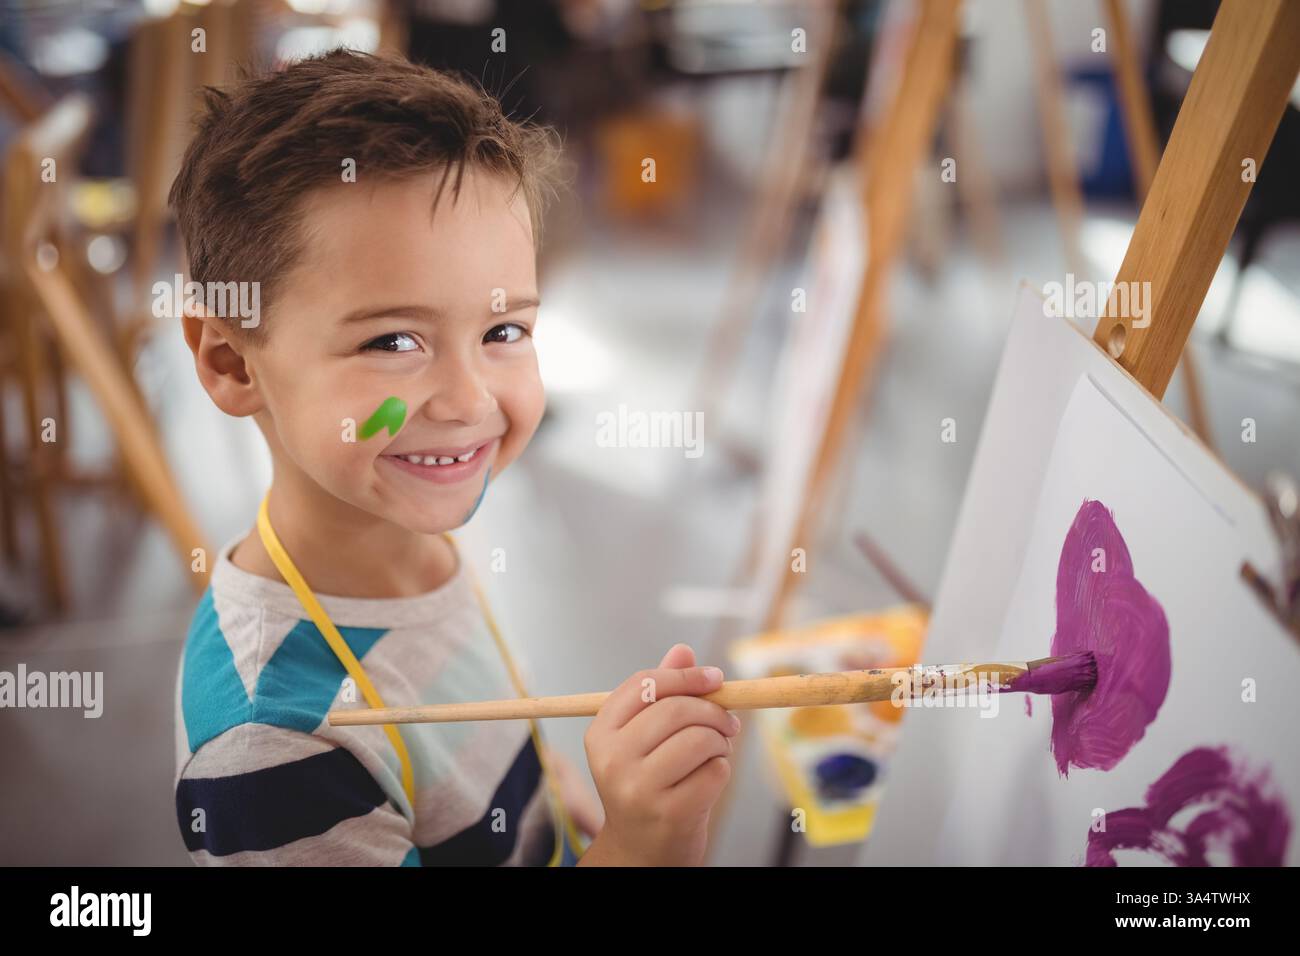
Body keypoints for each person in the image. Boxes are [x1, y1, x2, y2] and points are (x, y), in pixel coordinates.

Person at [169, 49, 738, 866]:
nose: (470, 401)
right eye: (392, 340)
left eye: (503, 331)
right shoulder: (271, 753)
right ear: (231, 362)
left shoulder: (408, 537)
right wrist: (643, 846)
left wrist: (565, 804)